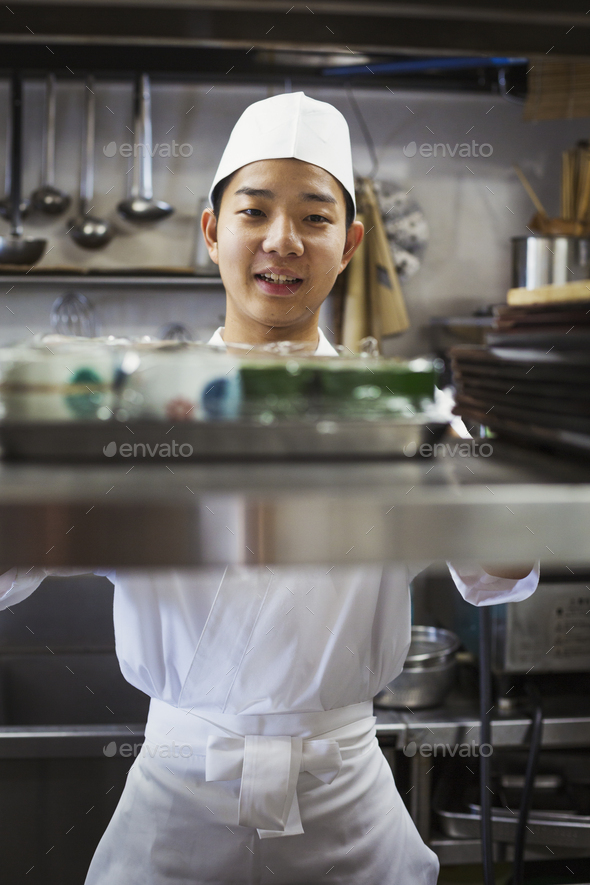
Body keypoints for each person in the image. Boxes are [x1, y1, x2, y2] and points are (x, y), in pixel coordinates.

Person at [0, 93, 540, 885]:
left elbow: (497, 572)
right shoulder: (134, 408)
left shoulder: (404, 408)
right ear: (213, 229)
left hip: (348, 806)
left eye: (314, 218)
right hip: (174, 804)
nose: (282, 241)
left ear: (349, 242)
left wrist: (478, 456)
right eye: (254, 211)